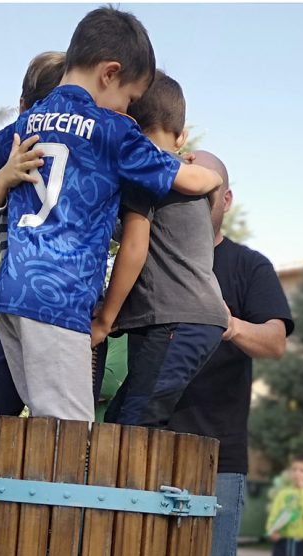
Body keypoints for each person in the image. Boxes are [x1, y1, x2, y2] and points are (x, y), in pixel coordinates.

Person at [52, 151, 292, 556]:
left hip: (218, 458)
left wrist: (218, 320)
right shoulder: (146, 255)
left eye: (204, 191)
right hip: (144, 453)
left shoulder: (247, 266)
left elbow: (275, 340)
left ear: (223, 200)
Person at [0, 7, 222, 421]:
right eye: (129, 97)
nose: (127, 108)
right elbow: (187, 179)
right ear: (109, 73)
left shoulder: (33, 119)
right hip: (59, 300)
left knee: (44, 427)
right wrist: (212, 177)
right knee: (73, 438)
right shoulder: (113, 131)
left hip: (11, 294)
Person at [90, 71, 228, 427]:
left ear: (127, 121)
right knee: (122, 420)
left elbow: (135, 246)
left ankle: (130, 487)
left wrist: (105, 319)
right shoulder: (182, 173)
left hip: (176, 319)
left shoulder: (148, 169)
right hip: (190, 319)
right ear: (181, 137)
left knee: (135, 426)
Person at [0, 50, 66, 416]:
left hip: (68, 315)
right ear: (23, 108)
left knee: (60, 429)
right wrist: (2, 180)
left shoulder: (83, 164)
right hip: (17, 310)